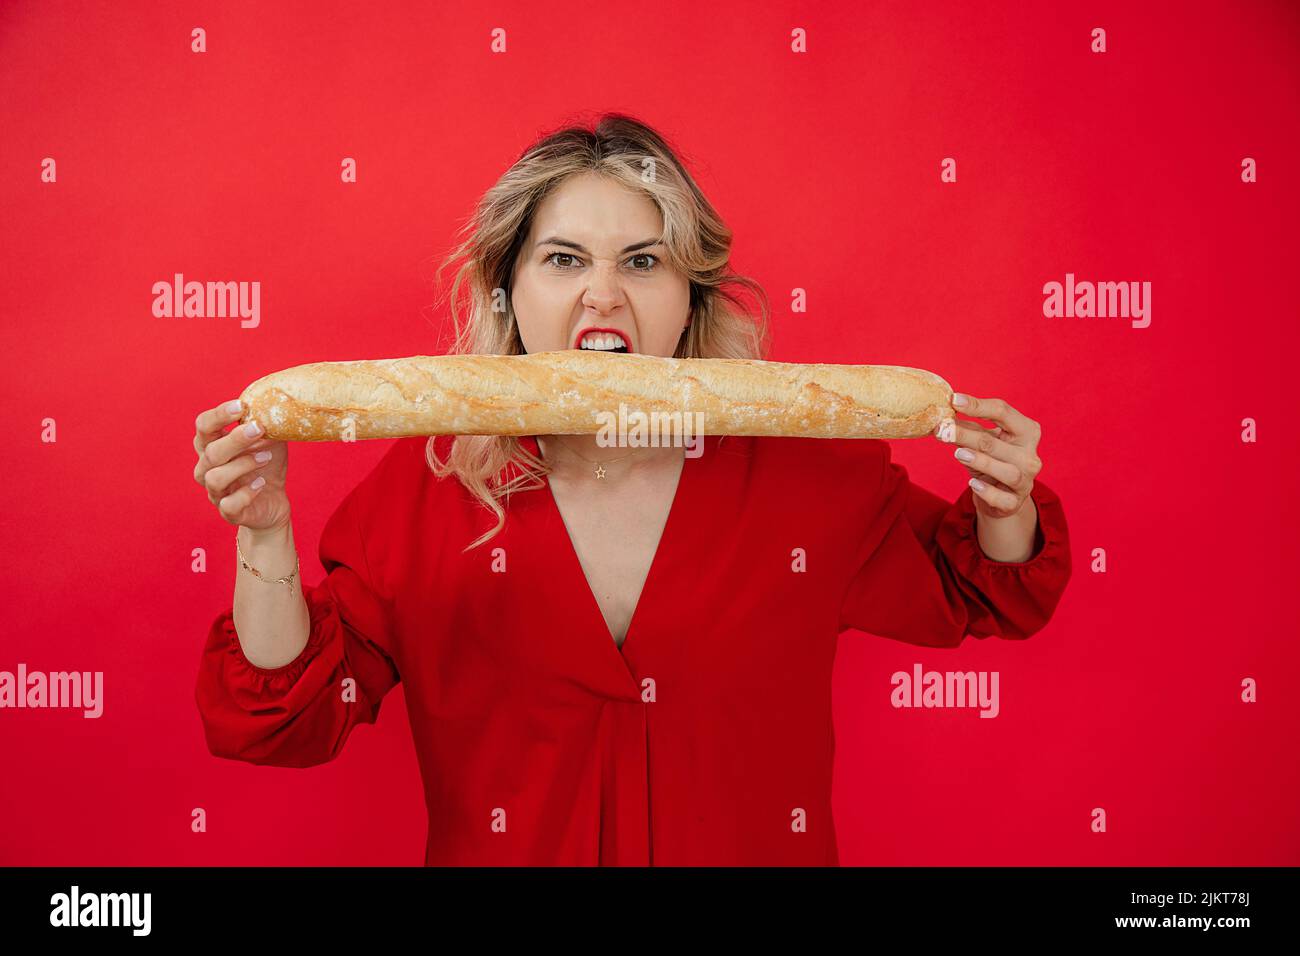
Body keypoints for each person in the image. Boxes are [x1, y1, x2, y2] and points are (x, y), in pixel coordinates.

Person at [192, 113, 1072, 866]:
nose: (602, 296)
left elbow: (976, 592)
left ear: (691, 297)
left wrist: (1005, 505)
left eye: (644, 262)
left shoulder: (811, 469)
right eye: (564, 259)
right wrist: (263, 532)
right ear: (508, 292)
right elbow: (294, 716)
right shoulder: (424, 487)